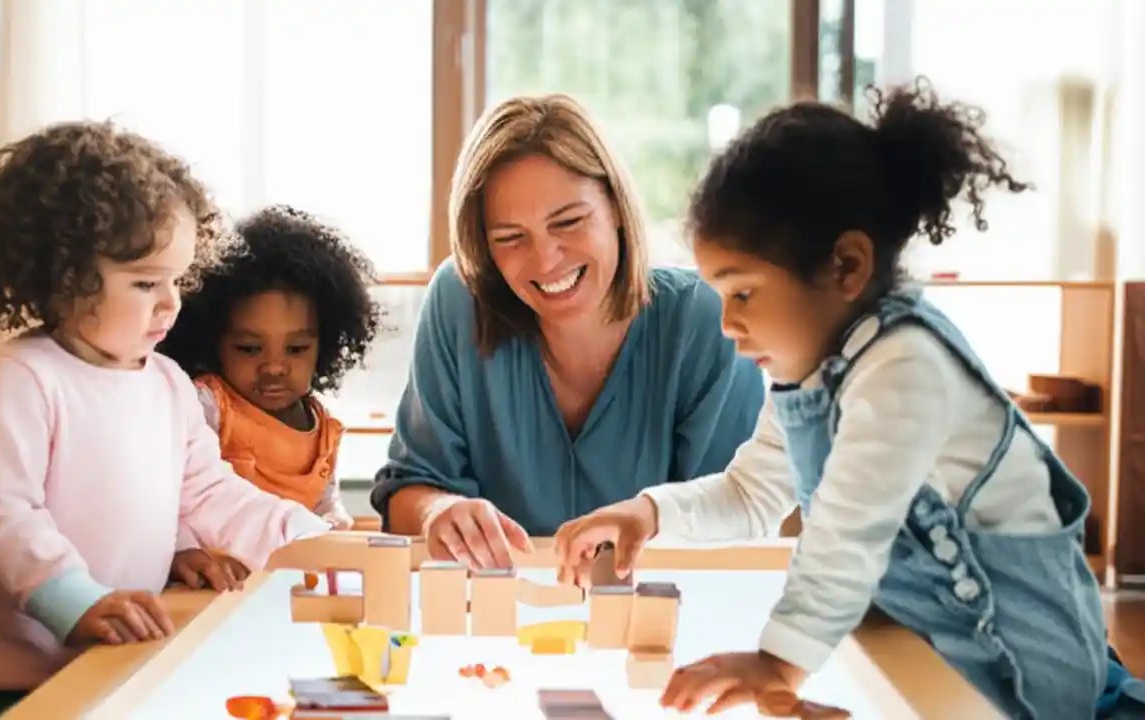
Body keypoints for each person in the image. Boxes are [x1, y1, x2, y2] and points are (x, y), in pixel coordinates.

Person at [552, 78, 1144, 718]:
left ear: (846, 268)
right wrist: (649, 512)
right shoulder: (809, 371)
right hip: (935, 651)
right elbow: (753, 493)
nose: (726, 324)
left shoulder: (904, 366)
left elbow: (847, 530)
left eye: (743, 293)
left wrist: (778, 661)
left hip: (1028, 679)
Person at [0, 121, 331, 719]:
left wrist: (313, 539)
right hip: (20, 683)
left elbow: (209, 492)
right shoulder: (21, 379)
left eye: (177, 279)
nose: (172, 302)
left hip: (122, 662)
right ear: (64, 278)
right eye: (147, 282)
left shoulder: (167, 385)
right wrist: (75, 602)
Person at [371, 93, 764, 569]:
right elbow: (406, 487)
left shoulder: (703, 320)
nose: (545, 260)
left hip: (661, 621)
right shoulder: (459, 300)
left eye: (570, 222)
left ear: (616, 208)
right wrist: (438, 511)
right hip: (494, 621)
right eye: (510, 238)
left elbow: (734, 517)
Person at [159, 204, 383, 540]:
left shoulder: (322, 428)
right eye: (249, 349)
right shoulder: (206, 406)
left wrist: (334, 520)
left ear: (324, 345)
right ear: (213, 340)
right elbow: (169, 494)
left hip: (289, 579)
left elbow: (324, 503)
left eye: (296, 349)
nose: (274, 367)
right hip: (215, 580)